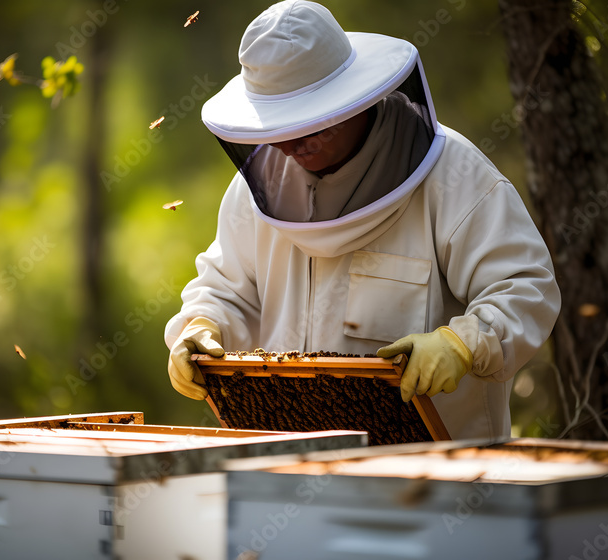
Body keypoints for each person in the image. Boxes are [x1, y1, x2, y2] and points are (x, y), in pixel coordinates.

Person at [164, 0, 561, 440]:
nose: (292, 145)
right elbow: (227, 291)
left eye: (310, 124)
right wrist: (202, 324)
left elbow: (525, 287)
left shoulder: (455, 175)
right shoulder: (255, 191)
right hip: (294, 464)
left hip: (439, 470)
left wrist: (464, 343)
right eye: (279, 128)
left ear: (354, 100)